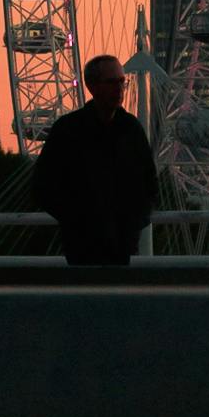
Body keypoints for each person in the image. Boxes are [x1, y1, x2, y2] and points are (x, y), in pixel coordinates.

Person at [31, 53, 157, 267]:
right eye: (111, 82)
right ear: (92, 86)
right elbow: (43, 185)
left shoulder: (131, 128)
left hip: (122, 244)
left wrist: (134, 224)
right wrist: (75, 220)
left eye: (121, 82)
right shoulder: (68, 130)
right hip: (81, 245)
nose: (119, 89)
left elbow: (149, 182)